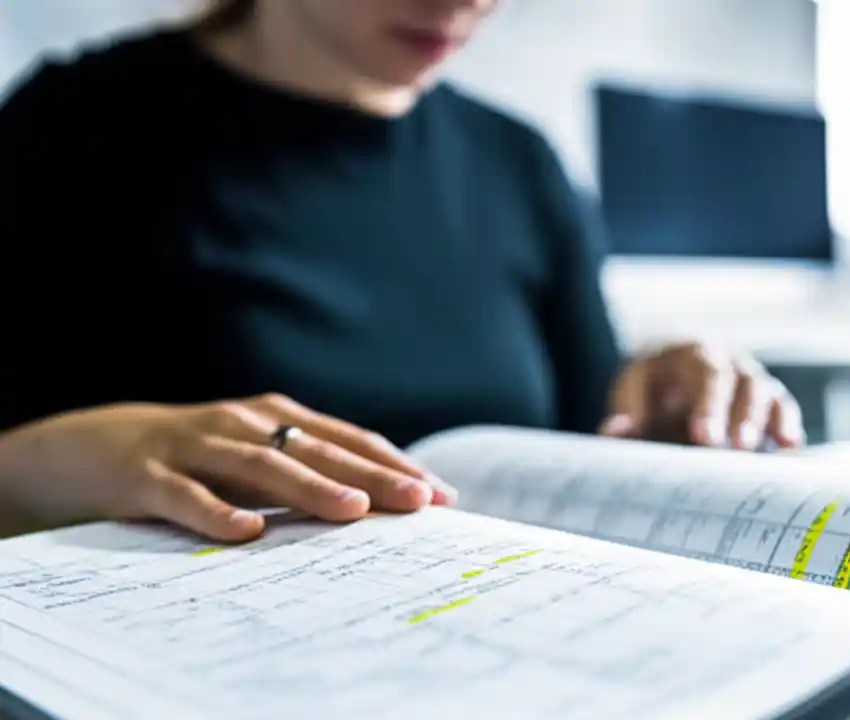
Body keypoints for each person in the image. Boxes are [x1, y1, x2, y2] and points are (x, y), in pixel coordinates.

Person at [0, 0, 804, 541]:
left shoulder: (519, 162)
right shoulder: (75, 125)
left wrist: (669, 405)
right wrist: (64, 461)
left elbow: (592, 433)